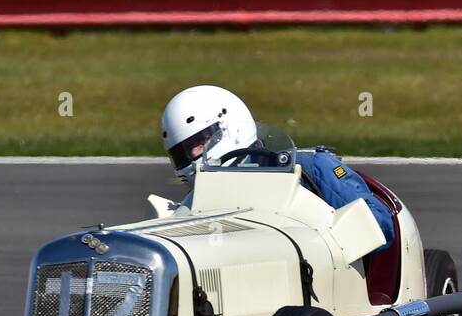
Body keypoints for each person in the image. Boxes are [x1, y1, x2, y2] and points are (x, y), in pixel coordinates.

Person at [159, 85, 396, 250]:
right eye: (182, 151)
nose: (193, 155)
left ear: (231, 128)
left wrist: (323, 244)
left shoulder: (310, 167)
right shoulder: (195, 203)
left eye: (200, 142)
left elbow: (380, 224)